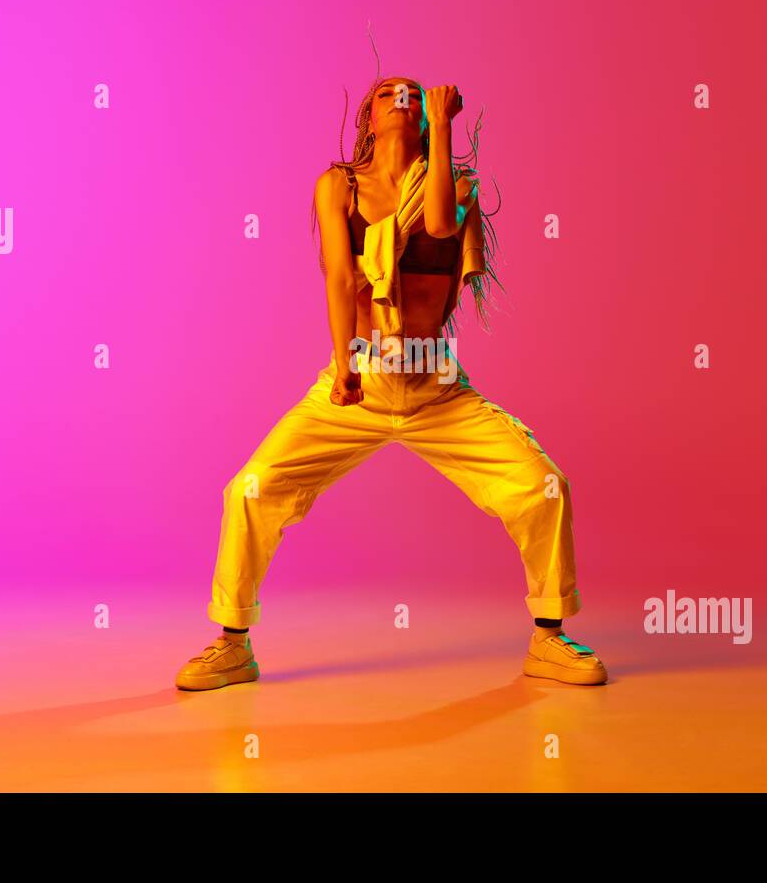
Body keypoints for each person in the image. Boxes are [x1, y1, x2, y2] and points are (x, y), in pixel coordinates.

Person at [175, 76, 607, 690]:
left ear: (428, 119)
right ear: (367, 120)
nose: (402, 96)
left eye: (413, 92)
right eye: (386, 92)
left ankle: (549, 637)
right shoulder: (337, 187)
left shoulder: (457, 186)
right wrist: (345, 365)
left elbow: (434, 227)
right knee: (251, 488)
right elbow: (340, 279)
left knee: (542, 485)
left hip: (436, 386)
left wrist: (445, 125)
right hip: (358, 380)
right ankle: (232, 643)